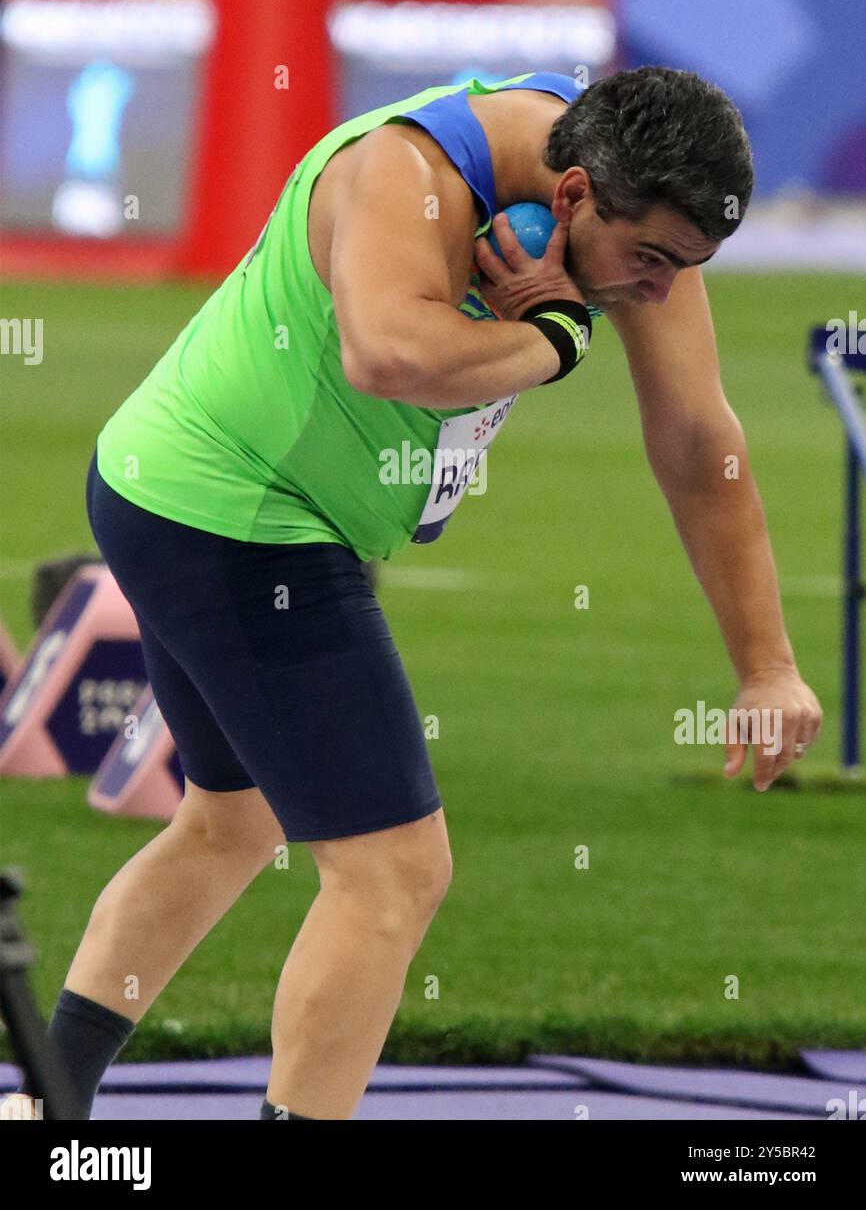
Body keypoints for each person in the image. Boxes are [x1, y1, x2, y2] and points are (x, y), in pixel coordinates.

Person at [10, 67, 823, 1122]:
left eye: (688, 265)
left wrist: (765, 661)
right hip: (236, 517)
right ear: (571, 196)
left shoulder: (626, 180)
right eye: (655, 263)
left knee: (231, 824)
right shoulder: (404, 172)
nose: (662, 291)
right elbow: (388, 353)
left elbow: (695, 435)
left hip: (183, 494)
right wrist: (557, 337)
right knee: (393, 872)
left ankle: (45, 1104)